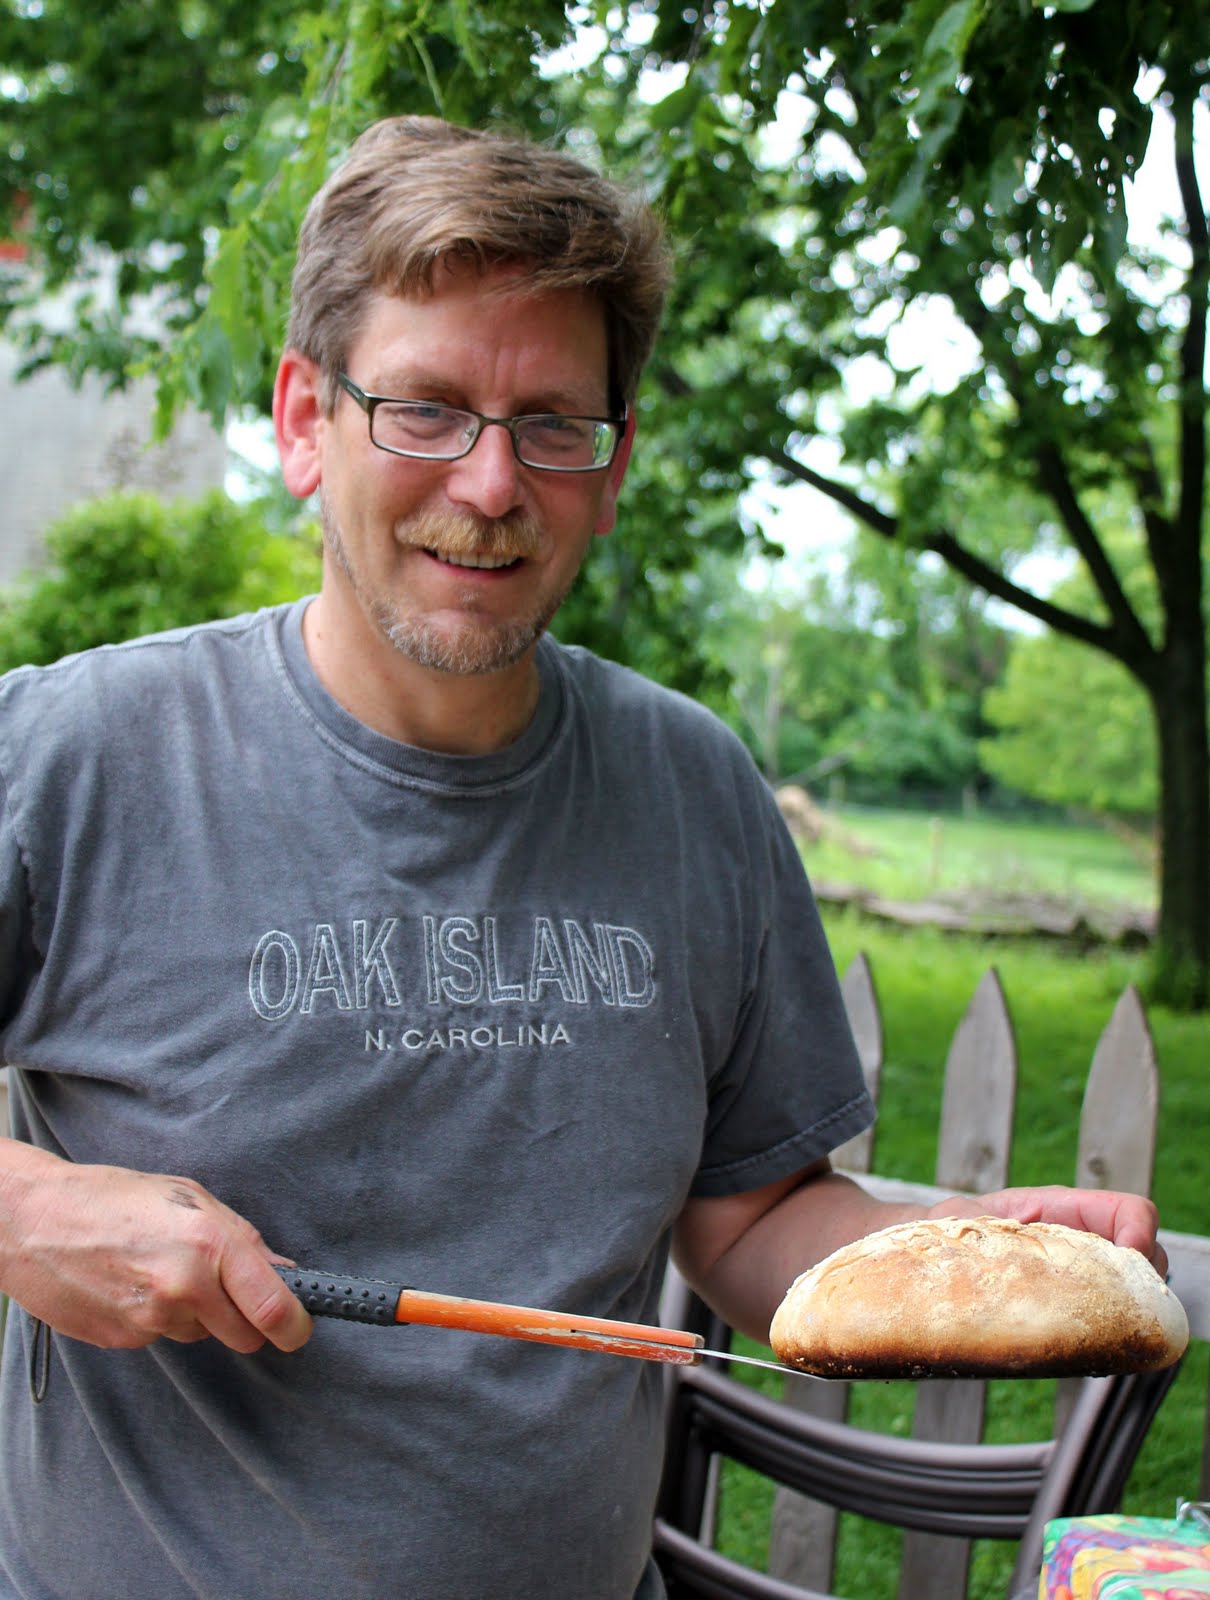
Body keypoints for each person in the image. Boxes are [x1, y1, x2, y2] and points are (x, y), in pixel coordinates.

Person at [0, 116, 1163, 1600]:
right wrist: (27, 1211)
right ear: (303, 421)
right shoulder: (73, 756)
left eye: (554, 424)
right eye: (422, 408)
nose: (491, 485)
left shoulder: (696, 790)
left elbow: (749, 1218)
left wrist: (960, 1257)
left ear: (611, 465)